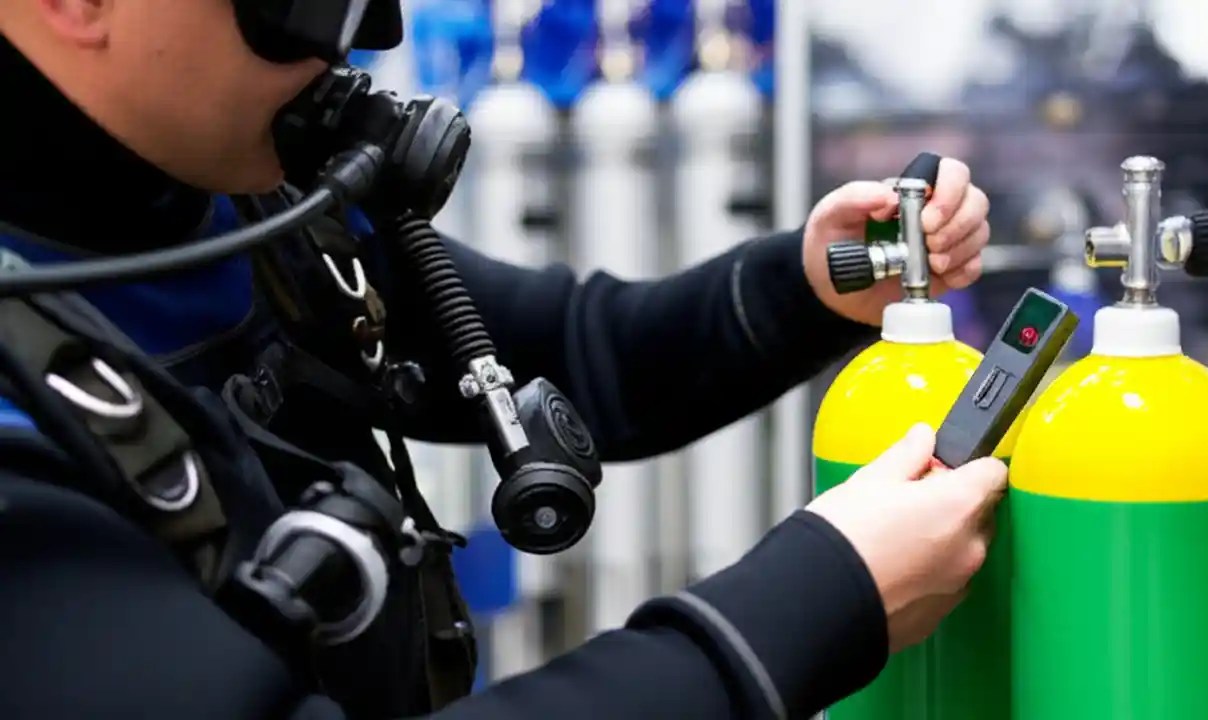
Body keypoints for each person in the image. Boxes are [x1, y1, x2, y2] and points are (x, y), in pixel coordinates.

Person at [0, 1, 1007, 719]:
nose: (369, 33)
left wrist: (809, 283)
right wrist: (810, 604)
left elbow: (574, 356)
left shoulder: (251, 209)